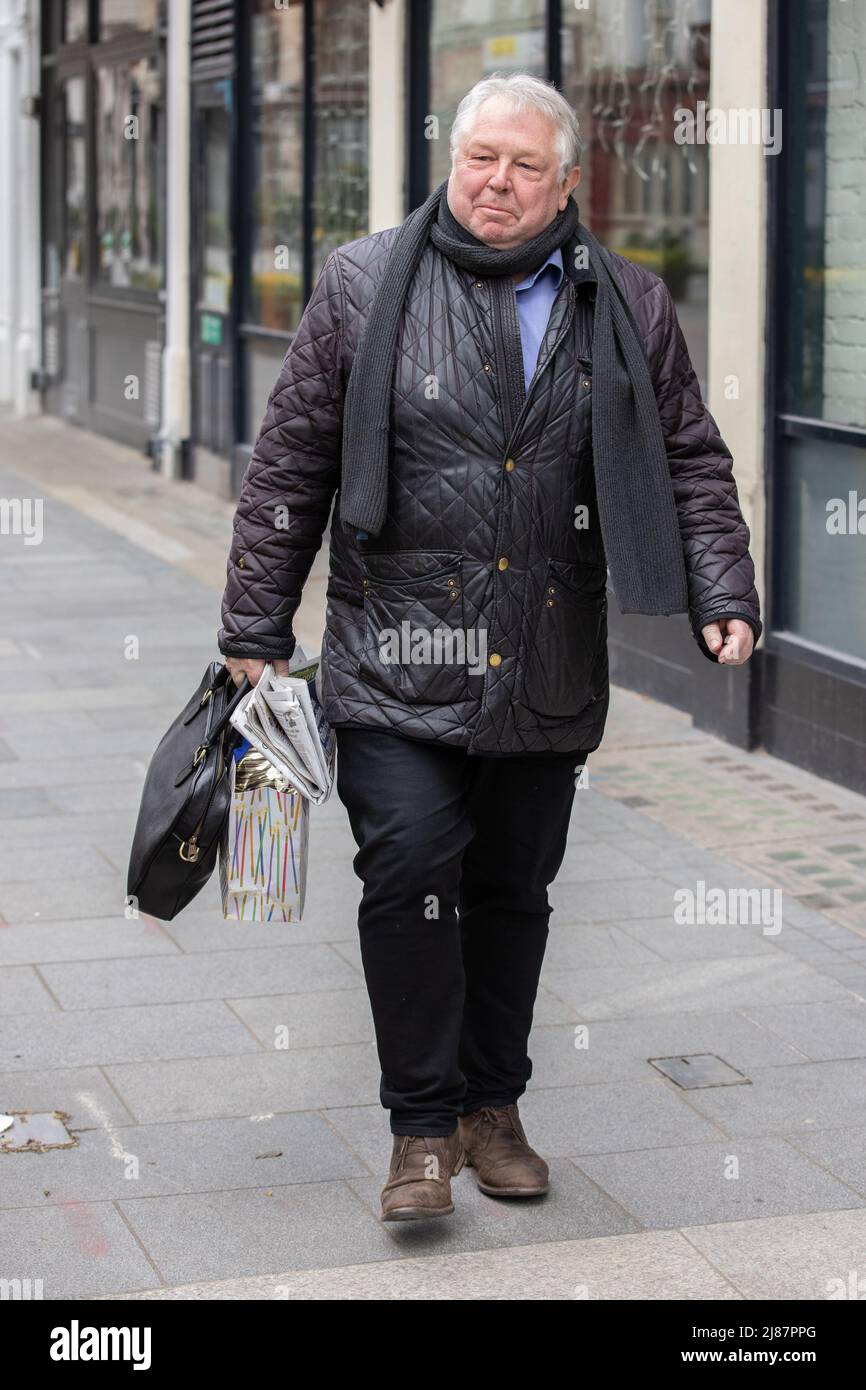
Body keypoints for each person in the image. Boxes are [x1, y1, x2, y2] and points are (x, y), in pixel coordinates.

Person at [217, 73, 761, 1222]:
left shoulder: (623, 300)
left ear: (565, 181)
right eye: (478, 159)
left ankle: (491, 1108)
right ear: (449, 161)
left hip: (544, 650)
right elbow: (290, 461)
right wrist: (254, 628)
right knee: (409, 867)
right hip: (393, 647)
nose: (496, 183)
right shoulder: (364, 283)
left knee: (512, 887)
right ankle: (420, 1131)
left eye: (522, 165)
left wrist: (722, 589)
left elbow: (688, 458)